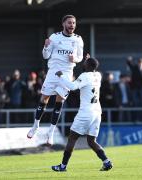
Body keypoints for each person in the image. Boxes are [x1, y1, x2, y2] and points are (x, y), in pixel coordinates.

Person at [27, 15, 84, 145]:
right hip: (53, 72)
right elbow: (46, 56)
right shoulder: (54, 37)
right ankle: (35, 126)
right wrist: (46, 47)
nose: (72, 25)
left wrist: (74, 59)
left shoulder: (78, 39)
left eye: (74, 23)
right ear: (63, 23)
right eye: (69, 23)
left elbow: (80, 57)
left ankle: (51, 132)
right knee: (44, 100)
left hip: (67, 74)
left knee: (59, 103)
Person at [51, 57, 113, 172]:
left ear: (88, 66)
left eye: (85, 63)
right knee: (91, 141)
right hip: (97, 112)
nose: (83, 64)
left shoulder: (84, 76)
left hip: (86, 112)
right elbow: (91, 67)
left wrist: (61, 76)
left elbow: (73, 87)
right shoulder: (98, 75)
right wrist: (89, 60)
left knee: (72, 138)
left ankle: (63, 166)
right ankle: (106, 161)